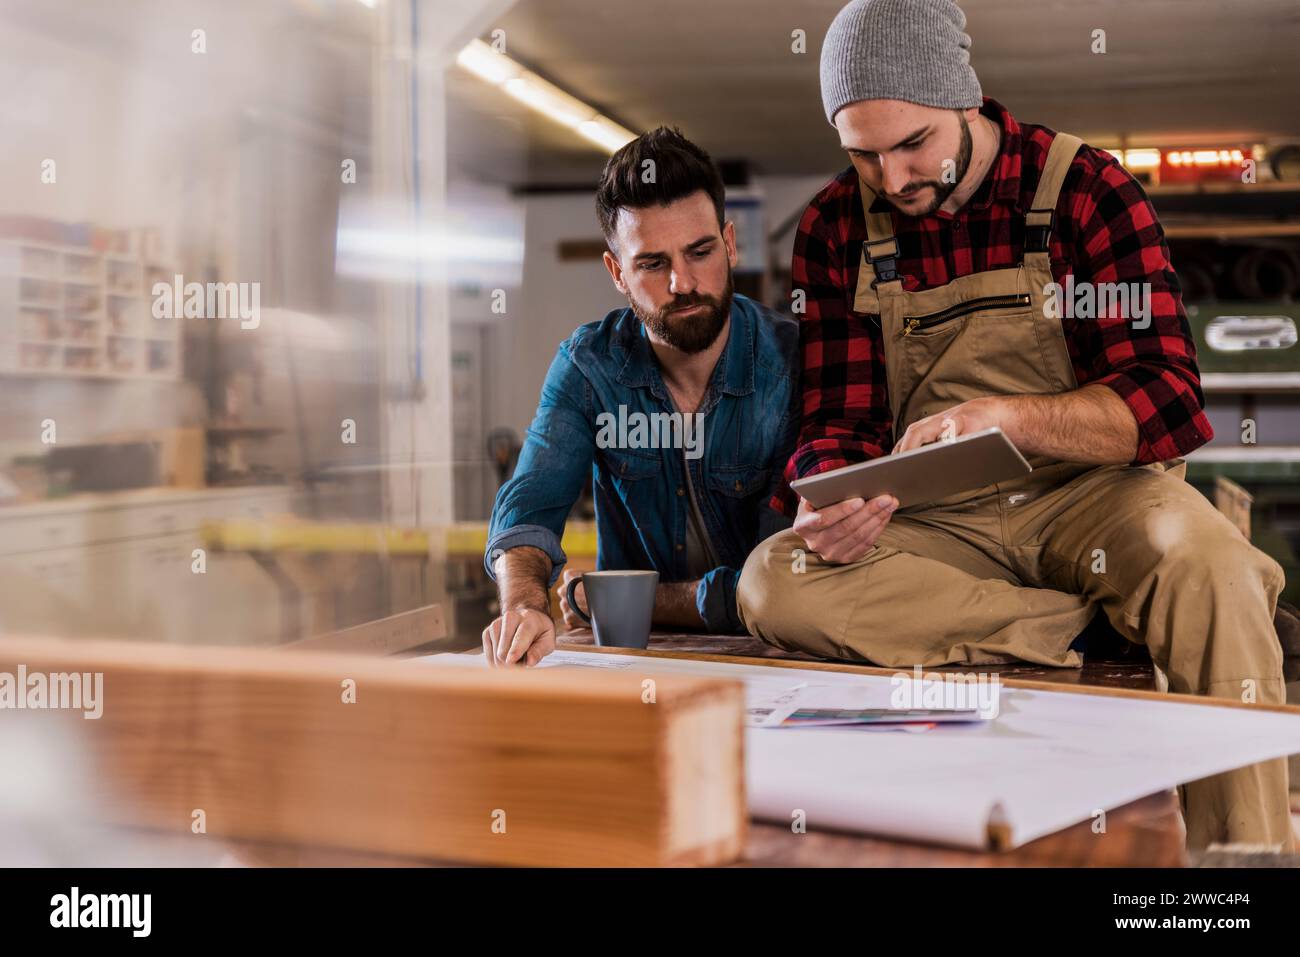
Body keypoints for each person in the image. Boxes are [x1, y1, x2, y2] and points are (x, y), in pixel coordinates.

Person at [737, 0, 1295, 850]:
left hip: (1098, 498)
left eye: (913, 142)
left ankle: (1240, 864)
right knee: (772, 580)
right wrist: (830, 496)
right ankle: (1075, 624)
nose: (891, 177)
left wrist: (1008, 417)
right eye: (863, 152)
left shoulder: (1087, 189)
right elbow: (838, 415)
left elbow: (1170, 398)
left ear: (965, 98)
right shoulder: (834, 226)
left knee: (1209, 569)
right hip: (938, 519)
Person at [483, 127, 798, 668]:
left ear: (730, 243)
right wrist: (524, 603)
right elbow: (528, 510)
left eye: (700, 252)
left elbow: (780, 582)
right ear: (617, 273)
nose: (682, 282)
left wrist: (608, 599)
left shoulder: (794, 361)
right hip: (638, 661)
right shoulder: (589, 366)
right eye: (652, 264)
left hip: (786, 660)